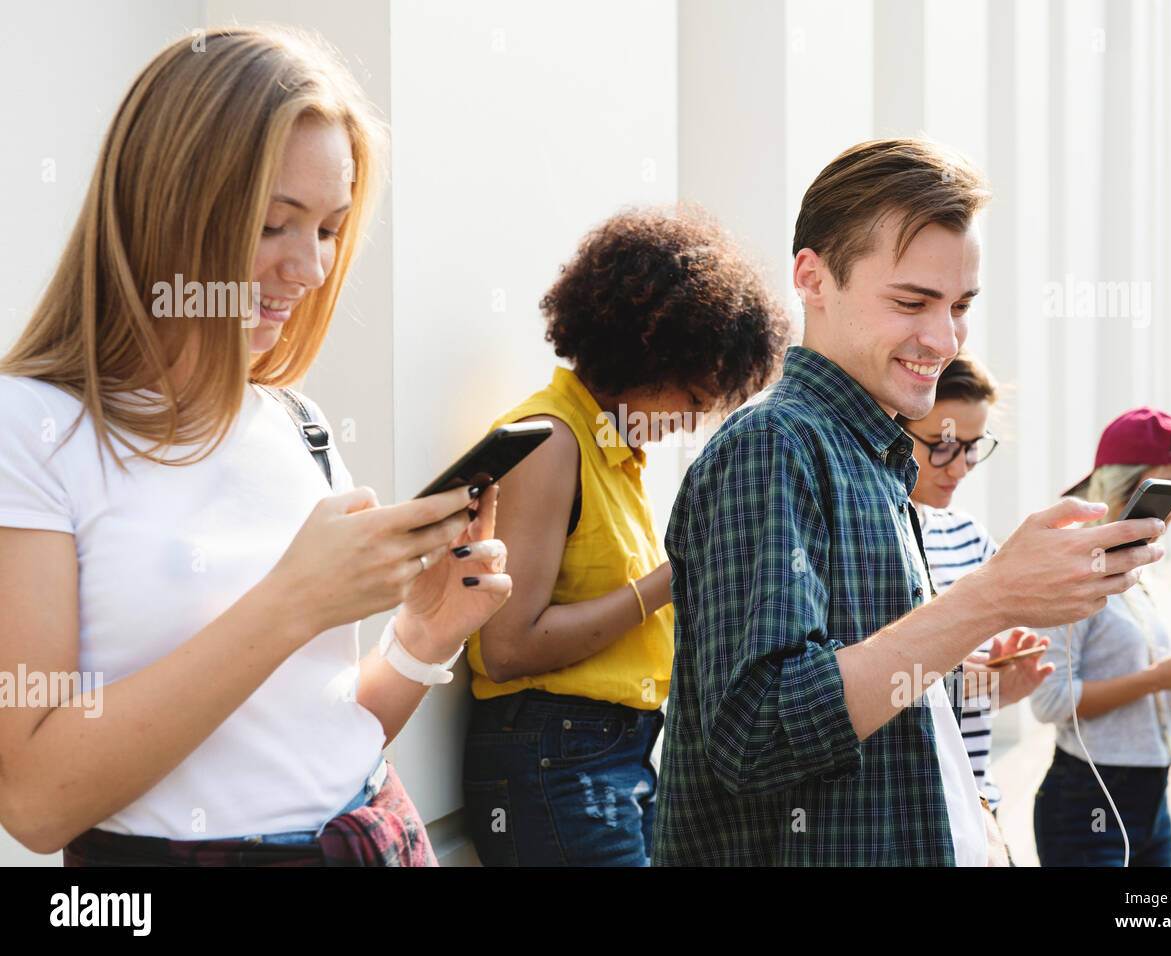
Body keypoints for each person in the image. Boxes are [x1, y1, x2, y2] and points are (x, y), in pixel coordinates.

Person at [0, 26, 511, 866]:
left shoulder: (297, 425)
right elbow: (34, 803)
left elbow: (309, 750)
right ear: (165, 207)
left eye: (329, 229)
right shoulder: (36, 432)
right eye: (277, 223)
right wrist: (295, 601)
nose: (309, 269)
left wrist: (423, 638)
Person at [652, 137, 1168, 867]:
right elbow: (757, 735)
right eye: (911, 301)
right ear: (813, 277)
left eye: (961, 306)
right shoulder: (775, 444)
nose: (944, 338)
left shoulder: (874, 454)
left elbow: (883, 707)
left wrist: (974, 694)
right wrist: (991, 597)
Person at [461, 206, 789, 866]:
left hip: (607, 753)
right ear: (649, 351)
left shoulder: (610, 452)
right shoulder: (551, 442)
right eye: (694, 397)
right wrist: (670, 580)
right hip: (558, 753)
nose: (694, 421)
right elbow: (503, 647)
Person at [1030, 407, 1171, 866]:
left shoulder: (1138, 577)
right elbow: (1050, 703)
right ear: (1120, 486)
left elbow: (1126, 693)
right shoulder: (1071, 578)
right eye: (1167, 492)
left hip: (1151, 800)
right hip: (1088, 803)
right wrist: (1156, 680)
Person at [901, 350, 1054, 824]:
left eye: (972, 446)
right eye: (942, 446)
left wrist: (1002, 686)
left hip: (977, 802)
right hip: (907, 812)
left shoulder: (970, 538)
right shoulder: (866, 540)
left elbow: (967, 699)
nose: (961, 466)